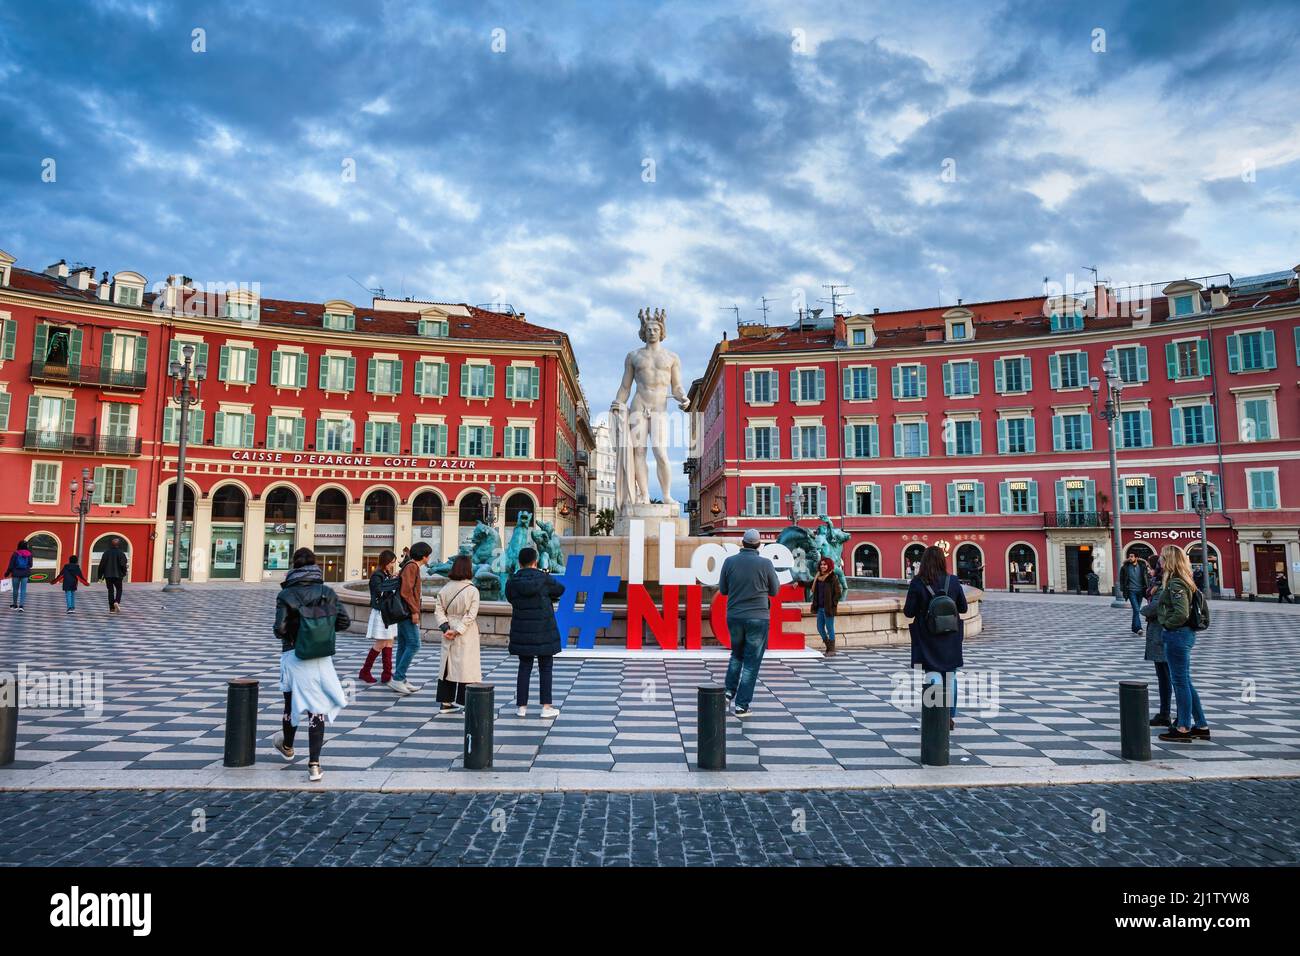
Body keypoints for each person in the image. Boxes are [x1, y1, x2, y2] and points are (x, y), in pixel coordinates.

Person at [271, 547, 351, 782]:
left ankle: (287, 746)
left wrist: (296, 632)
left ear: (294, 566)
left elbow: (279, 629)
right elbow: (344, 621)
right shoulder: (327, 591)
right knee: (317, 709)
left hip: (293, 654)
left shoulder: (286, 595)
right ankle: (314, 764)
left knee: (291, 704)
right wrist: (321, 630)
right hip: (320, 657)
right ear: (315, 566)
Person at [903, 545, 969, 730]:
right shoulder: (953, 581)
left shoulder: (917, 582)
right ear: (942, 560)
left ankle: (935, 716)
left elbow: (909, 612)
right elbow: (963, 608)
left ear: (923, 562)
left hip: (927, 637)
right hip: (950, 636)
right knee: (951, 676)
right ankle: (949, 716)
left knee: (932, 674)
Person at [718, 528, 781, 718]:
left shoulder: (729, 562)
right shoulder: (765, 563)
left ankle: (728, 693)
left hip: (735, 615)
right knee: (751, 663)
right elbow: (775, 591)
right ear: (758, 545)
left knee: (736, 655)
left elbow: (722, 590)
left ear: (742, 543)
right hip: (758, 617)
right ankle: (742, 705)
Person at [1155, 545, 1210, 743]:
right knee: (1185, 681)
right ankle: (1201, 725)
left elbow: (1181, 612)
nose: (1159, 561)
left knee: (1179, 682)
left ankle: (1184, 727)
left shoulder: (1176, 583)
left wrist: (1166, 624)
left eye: (1162, 558)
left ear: (1169, 560)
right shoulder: (1185, 580)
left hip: (1177, 634)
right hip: (1184, 635)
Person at [505, 546, 565, 718]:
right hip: (544, 630)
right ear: (535, 561)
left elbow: (510, 598)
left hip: (522, 630)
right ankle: (546, 707)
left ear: (519, 562)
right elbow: (560, 589)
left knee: (524, 667)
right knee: (545, 668)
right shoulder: (543, 578)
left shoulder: (512, 582)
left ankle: (521, 707)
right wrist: (545, 575)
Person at [432, 555, 483, 714]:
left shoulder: (445, 588)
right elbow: (471, 615)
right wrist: (458, 630)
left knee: (448, 665)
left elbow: (438, 610)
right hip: (465, 631)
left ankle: (445, 702)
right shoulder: (472, 590)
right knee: (466, 666)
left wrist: (446, 627)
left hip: (448, 629)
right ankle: (465, 701)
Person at [390, 541, 432, 695]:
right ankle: (398, 678)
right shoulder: (412, 567)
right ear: (424, 556)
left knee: (403, 644)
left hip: (404, 612)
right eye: (428, 555)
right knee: (414, 644)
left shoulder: (410, 566)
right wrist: (415, 611)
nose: (429, 559)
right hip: (407, 612)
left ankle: (400, 678)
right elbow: (406, 591)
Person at [359, 549, 398, 685]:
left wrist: (393, 579)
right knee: (381, 643)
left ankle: (387, 673)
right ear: (386, 562)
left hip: (388, 612)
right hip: (382, 613)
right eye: (392, 562)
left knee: (389, 642)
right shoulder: (377, 575)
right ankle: (365, 671)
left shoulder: (385, 574)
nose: (393, 565)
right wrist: (395, 581)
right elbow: (379, 591)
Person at [1141, 576, 1176, 729]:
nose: (1148, 570)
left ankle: (1183, 718)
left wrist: (1144, 610)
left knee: (1175, 679)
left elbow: (1156, 606)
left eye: (1152, 567)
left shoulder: (1166, 585)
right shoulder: (1159, 584)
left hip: (1164, 635)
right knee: (1164, 677)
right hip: (1160, 636)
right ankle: (1165, 713)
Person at [810, 556, 842, 656]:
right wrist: (798, 583)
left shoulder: (832, 577)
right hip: (820, 608)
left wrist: (833, 605)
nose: (823, 566)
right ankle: (828, 645)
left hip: (828, 608)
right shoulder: (818, 577)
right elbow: (809, 584)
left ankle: (832, 650)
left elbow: (838, 593)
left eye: (825, 564)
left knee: (830, 628)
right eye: (821, 564)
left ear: (829, 566)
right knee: (819, 627)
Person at [96, 537, 129, 614]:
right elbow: (123, 565)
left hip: (108, 575)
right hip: (118, 575)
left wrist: (100, 576)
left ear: (111, 544)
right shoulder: (121, 553)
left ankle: (112, 609)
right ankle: (117, 601)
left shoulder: (106, 553)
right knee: (119, 589)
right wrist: (124, 572)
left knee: (110, 591)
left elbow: (102, 565)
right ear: (119, 545)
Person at [1120, 552, 1147, 634]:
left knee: (1136, 610)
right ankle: (1139, 628)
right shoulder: (1125, 567)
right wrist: (1122, 589)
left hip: (1141, 591)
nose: (1130, 558)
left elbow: (1146, 577)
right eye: (1129, 556)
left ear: (1136, 558)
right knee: (1136, 610)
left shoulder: (1142, 567)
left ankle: (1134, 628)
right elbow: (1121, 579)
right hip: (1131, 591)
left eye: (1132, 556)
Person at [4, 539, 34, 612]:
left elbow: (11, 565)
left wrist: (7, 572)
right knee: (23, 590)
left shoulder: (15, 553)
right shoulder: (29, 554)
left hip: (16, 573)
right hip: (25, 574)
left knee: (15, 590)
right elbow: (30, 565)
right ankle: (21, 606)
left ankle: (15, 605)